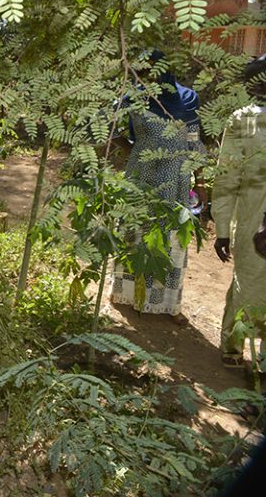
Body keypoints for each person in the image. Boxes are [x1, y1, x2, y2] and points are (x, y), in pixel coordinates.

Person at [109, 50, 206, 324]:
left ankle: (167, 304)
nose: (148, 76)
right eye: (143, 70)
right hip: (141, 179)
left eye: (152, 70)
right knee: (135, 234)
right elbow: (111, 129)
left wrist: (200, 182)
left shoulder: (188, 98)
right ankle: (129, 296)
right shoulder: (133, 97)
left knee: (171, 238)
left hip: (175, 182)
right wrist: (134, 150)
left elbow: (194, 141)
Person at [212, 54, 266, 369]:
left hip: (251, 221)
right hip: (252, 220)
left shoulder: (242, 119)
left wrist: (222, 230)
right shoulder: (242, 120)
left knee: (247, 282)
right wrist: (221, 229)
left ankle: (238, 351)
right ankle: (238, 349)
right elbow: (227, 178)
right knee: (249, 284)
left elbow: (227, 179)